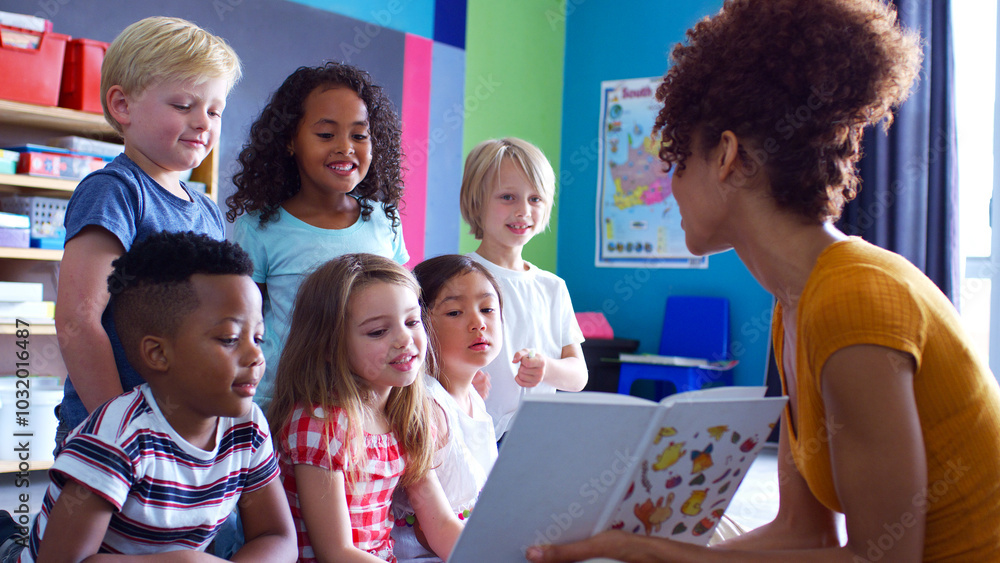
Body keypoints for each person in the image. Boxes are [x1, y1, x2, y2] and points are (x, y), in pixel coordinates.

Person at [527, 0, 1000, 561]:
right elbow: (806, 535)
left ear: (727, 156)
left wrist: (645, 551)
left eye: (679, 162)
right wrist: (632, 547)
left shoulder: (853, 298)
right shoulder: (794, 303)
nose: (671, 189)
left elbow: (885, 559)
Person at [0, 231, 296, 562]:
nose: (255, 356)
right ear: (157, 354)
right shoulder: (116, 440)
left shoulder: (247, 427)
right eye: (229, 338)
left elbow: (277, 536)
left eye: (258, 337)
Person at [54, 16, 241, 440]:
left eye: (215, 111)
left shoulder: (208, 211)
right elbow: (77, 320)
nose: (203, 122)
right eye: (183, 105)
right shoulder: (115, 192)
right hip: (117, 432)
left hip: (185, 429)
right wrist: (115, 425)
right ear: (122, 106)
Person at [227, 62, 408, 410]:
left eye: (359, 135)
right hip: (284, 403)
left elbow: (407, 310)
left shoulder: (385, 220)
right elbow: (243, 324)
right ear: (291, 141)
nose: (346, 147)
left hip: (370, 404)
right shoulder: (259, 228)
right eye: (326, 135)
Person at [267, 253, 463, 562]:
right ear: (330, 347)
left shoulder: (407, 415)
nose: (404, 339)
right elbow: (336, 552)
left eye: (412, 321)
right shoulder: (319, 423)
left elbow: (440, 525)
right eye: (378, 332)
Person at [460, 137, 587, 439]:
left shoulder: (552, 287)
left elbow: (579, 375)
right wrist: (460, 384)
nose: (523, 211)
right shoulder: (457, 277)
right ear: (477, 202)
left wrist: (547, 369)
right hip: (474, 435)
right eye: (507, 197)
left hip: (537, 437)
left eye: (535, 199)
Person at [391, 255, 503, 561]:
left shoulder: (474, 400)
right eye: (454, 311)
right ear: (419, 325)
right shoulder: (427, 407)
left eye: (488, 308)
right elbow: (431, 533)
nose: (479, 322)